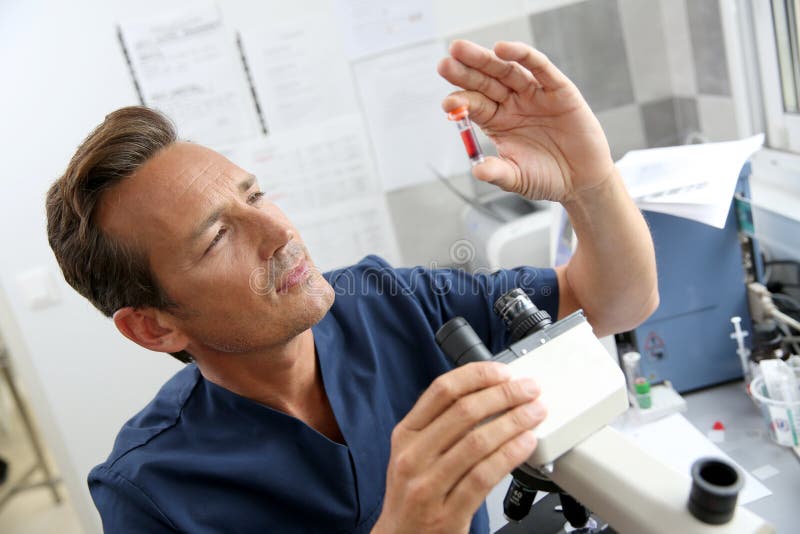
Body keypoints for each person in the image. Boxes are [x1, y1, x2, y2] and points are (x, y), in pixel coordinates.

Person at [45, 40, 657, 533]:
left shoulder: (389, 302)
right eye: (215, 238)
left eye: (254, 194)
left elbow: (616, 300)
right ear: (153, 326)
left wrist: (589, 181)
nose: (278, 231)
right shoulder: (150, 491)